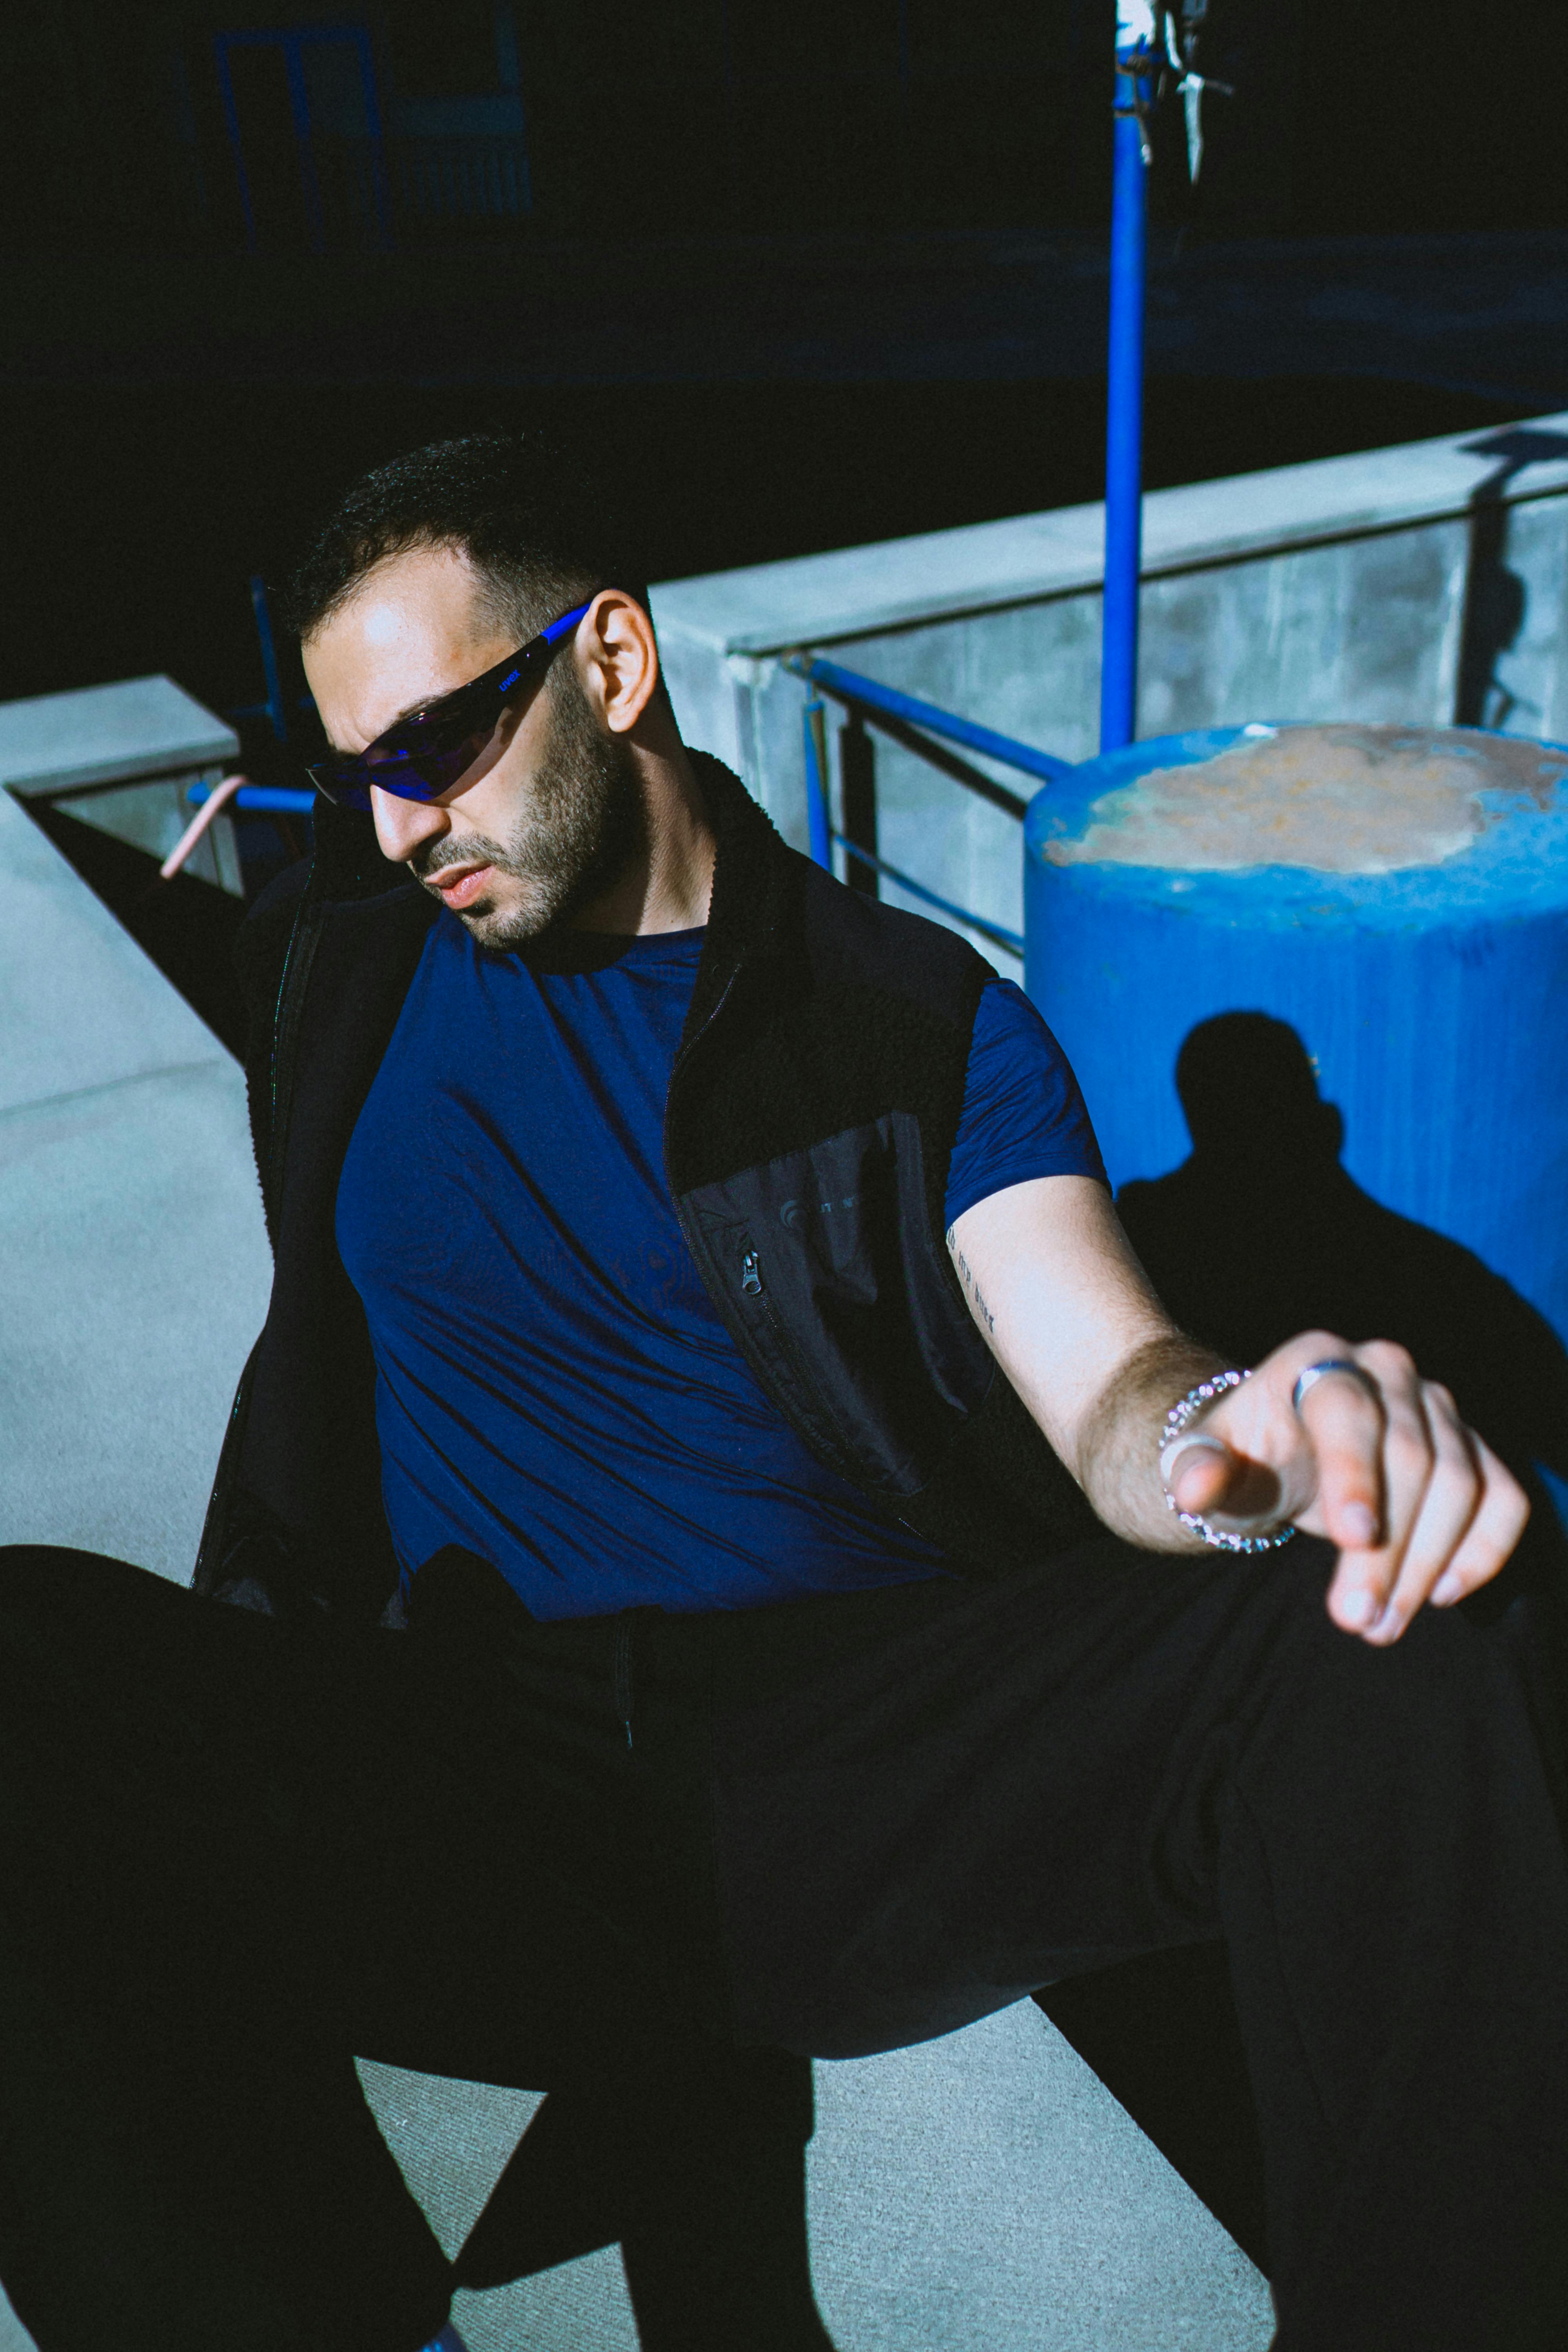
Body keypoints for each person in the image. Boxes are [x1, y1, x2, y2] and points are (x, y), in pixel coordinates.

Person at [1, 430, 1563, 2352]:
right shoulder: (343, 976)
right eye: (352, 779)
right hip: (470, 1753)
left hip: (831, 1760)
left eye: (428, 750)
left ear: (612, 665)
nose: (396, 828)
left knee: (1399, 1618)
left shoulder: (919, 1023)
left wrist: (1244, 1428)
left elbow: (1109, 1385)